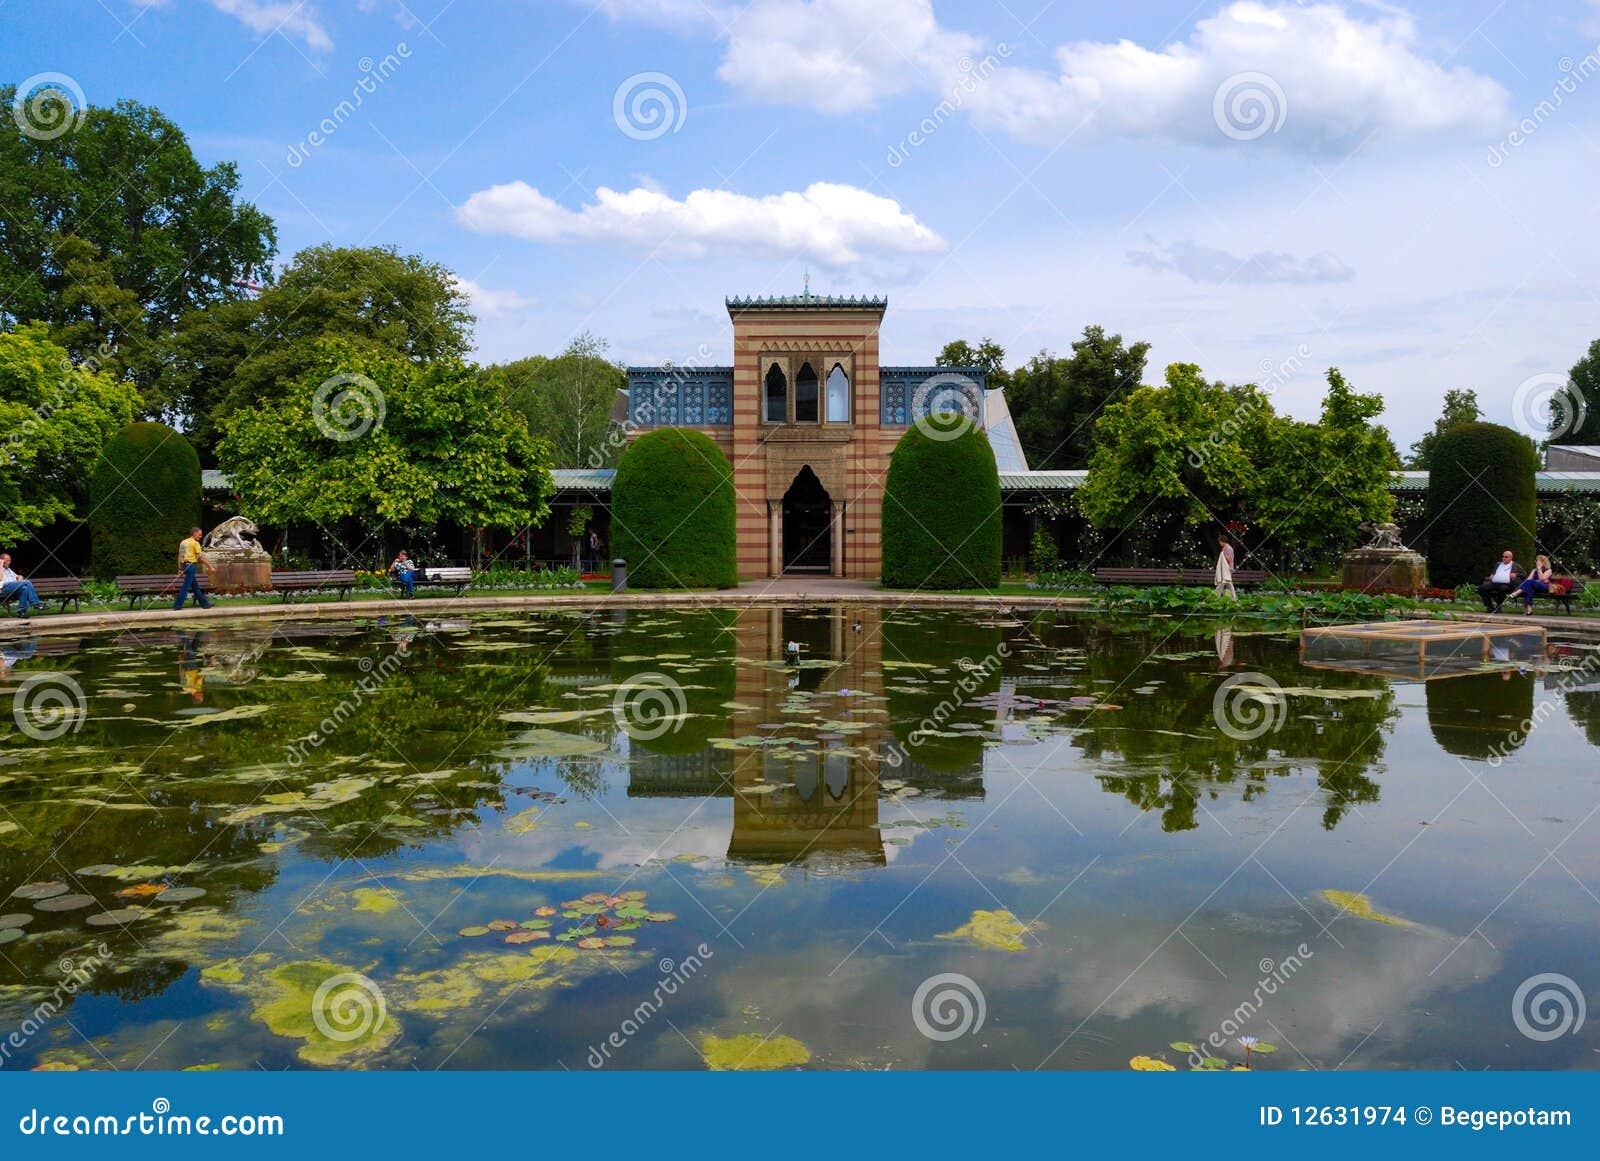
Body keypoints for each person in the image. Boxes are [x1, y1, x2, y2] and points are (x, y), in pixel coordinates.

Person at [174, 527, 213, 611]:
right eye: (199, 534)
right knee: (185, 587)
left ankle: (205, 604)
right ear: (194, 533)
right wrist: (210, 566)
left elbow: (180, 556)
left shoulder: (183, 542)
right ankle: (177, 606)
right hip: (191, 566)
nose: (201, 536)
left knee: (195, 587)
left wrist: (180, 569)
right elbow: (201, 557)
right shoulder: (195, 543)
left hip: (185, 566)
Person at [0, 553, 42, 618]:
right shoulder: (0, 568)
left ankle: (21, 612)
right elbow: (0, 578)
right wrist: (1, 564)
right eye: (7, 560)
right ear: (2, 560)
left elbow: (16, 576)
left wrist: (19, 576)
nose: (9, 562)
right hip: (3, 589)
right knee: (27, 582)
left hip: (11, 589)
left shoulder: (8, 569)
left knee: (24, 588)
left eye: (10, 560)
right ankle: (36, 603)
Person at [1213, 535, 1237, 602]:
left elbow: (1230, 559)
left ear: (1222, 541)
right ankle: (1233, 598)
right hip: (1224, 568)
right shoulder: (1224, 548)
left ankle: (1216, 596)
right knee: (1227, 583)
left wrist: (1222, 555)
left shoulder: (1229, 548)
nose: (1219, 543)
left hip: (1228, 568)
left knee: (1225, 582)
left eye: (1219, 542)